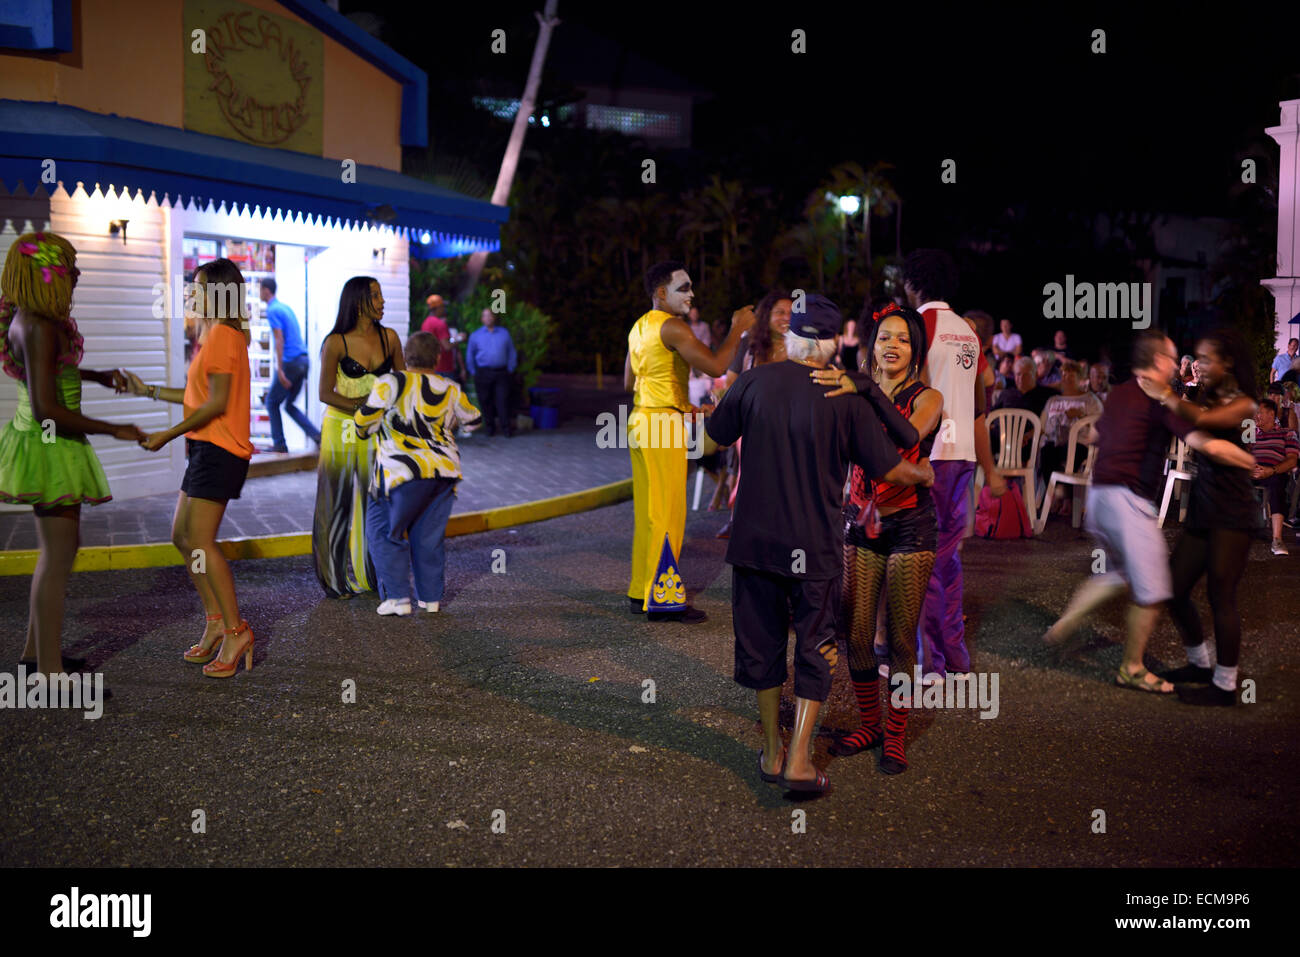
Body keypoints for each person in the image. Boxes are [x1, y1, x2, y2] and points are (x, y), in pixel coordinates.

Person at [706, 294, 933, 792]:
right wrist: (920, 472)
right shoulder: (845, 396)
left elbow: (712, 438)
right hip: (815, 548)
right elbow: (889, 466)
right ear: (833, 345)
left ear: (791, 336)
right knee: (815, 648)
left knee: (762, 648)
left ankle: (771, 752)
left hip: (755, 545)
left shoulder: (751, 381)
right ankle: (802, 759)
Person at [1042, 331, 1255, 695]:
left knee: (1141, 576)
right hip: (1154, 504)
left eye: (1203, 359)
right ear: (1157, 361)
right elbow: (1199, 438)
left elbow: (1101, 432)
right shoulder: (1160, 400)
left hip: (1118, 501)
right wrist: (1244, 457)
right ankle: (1147, 667)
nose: (1186, 365)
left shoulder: (1126, 392)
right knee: (1160, 589)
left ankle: (1223, 684)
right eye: (1179, 359)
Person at [1, 232, 141, 678]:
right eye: (68, 266)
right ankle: (48, 674)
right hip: (49, 444)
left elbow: (48, 372)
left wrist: (96, 375)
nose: (76, 274)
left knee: (58, 552)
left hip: (42, 441)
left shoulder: (32, 320)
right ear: (47, 273)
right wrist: (113, 428)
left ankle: (34, 657)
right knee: (57, 558)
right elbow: (48, 409)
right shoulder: (39, 326)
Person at [814, 303, 942, 774]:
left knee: (902, 641)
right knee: (856, 633)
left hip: (910, 526)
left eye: (903, 339)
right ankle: (870, 723)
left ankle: (895, 734)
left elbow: (904, 436)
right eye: (885, 337)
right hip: (859, 521)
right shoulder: (852, 391)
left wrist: (865, 389)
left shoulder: (929, 397)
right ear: (872, 344)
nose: (892, 345)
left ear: (915, 351)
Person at [129, 258, 257, 677]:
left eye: (198, 286)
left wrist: (167, 435)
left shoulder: (223, 335)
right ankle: (215, 621)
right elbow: (194, 396)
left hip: (221, 450)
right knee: (182, 537)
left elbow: (216, 405)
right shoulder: (217, 336)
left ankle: (237, 630)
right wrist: (144, 390)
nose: (190, 292)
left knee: (199, 541)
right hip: (205, 448)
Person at [624, 261, 754, 623]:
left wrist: (681, 404)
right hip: (662, 425)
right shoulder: (673, 326)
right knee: (668, 513)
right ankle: (664, 600)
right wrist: (737, 329)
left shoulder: (638, 328)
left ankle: (641, 590)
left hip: (639, 421)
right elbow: (715, 366)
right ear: (661, 293)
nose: (691, 294)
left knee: (648, 513)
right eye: (684, 287)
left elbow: (628, 382)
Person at [1136, 328, 1259, 706]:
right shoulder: (1205, 394)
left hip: (1233, 513)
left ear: (1228, 363)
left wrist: (1169, 395)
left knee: (1221, 594)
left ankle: (1225, 685)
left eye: (1207, 359)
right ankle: (1199, 665)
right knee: (1173, 587)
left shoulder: (1245, 405)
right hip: (1205, 506)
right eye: (1197, 358)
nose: (1199, 365)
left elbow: (1207, 420)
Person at [903, 249, 1003, 683]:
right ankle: (955, 655)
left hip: (929, 457)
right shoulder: (968, 331)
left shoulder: (917, 327)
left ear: (912, 284)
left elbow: (908, 396)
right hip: (961, 457)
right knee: (947, 557)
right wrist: (991, 469)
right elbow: (980, 410)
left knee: (922, 558)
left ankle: (932, 663)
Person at [355, 332, 482, 616]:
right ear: (437, 357)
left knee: (384, 532)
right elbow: (473, 420)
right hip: (444, 473)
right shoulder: (449, 387)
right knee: (428, 538)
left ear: (405, 356)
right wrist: (445, 425)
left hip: (401, 472)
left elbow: (363, 421)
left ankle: (399, 598)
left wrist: (373, 429)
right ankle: (430, 599)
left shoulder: (391, 382)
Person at [315, 276, 405, 597]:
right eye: (376, 297)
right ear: (358, 302)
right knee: (335, 504)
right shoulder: (336, 342)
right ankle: (335, 581)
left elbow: (400, 384)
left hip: (377, 432)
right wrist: (363, 406)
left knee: (375, 504)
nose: (383, 302)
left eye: (381, 296)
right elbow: (325, 392)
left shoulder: (390, 338)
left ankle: (370, 576)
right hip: (340, 431)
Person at [714, 290, 793, 539]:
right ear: (766, 315)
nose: (786, 318)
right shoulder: (749, 345)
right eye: (780, 312)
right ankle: (736, 520)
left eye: (792, 313)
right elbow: (732, 382)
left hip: (787, 424)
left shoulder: (801, 347)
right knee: (739, 471)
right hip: (750, 422)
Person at [260, 278, 320, 453]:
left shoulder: (272, 310)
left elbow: (279, 340)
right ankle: (317, 436)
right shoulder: (285, 308)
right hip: (303, 361)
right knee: (289, 405)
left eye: (260, 289)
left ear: (266, 290)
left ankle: (279, 444)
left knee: (271, 402)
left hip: (291, 363)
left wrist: (280, 371)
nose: (259, 292)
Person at [1038, 359, 1104, 511]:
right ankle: (1058, 495)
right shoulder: (1053, 400)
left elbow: (1101, 426)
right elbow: (1042, 425)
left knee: (1070, 450)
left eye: (1071, 376)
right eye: (1063, 375)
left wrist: (1081, 416)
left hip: (1081, 445)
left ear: (1080, 380)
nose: (1066, 379)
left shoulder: (1090, 400)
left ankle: (1065, 497)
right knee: (1046, 451)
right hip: (1055, 442)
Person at [1250, 398, 1299, 555]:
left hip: (1274, 472)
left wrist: (1271, 470)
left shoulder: (1287, 433)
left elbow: (1292, 460)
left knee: (1277, 485)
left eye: (1259, 412)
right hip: (1251, 471)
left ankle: (1277, 539)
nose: (1256, 416)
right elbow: (1242, 453)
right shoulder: (1251, 433)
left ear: (1271, 414)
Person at [465, 308, 517, 437]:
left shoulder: (504, 333)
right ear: (482, 319)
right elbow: (470, 354)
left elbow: (511, 351)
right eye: (485, 316)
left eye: (490, 315)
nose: (488, 318)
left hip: (501, 372)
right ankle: (490, 428)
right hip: (483, 373)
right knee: (485, 400)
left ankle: (506, 428)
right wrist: (473, 371)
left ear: (494, 318)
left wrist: (511, 367)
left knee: (503, 400)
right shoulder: (476, 335)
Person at [419, 294, 461, 381]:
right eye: (443, 306)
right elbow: (447, 346)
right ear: (438, 308)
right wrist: (459, 339)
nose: (444, 309)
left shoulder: (425, 323)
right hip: (443, 368)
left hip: (430, 366)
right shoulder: (440, 324)